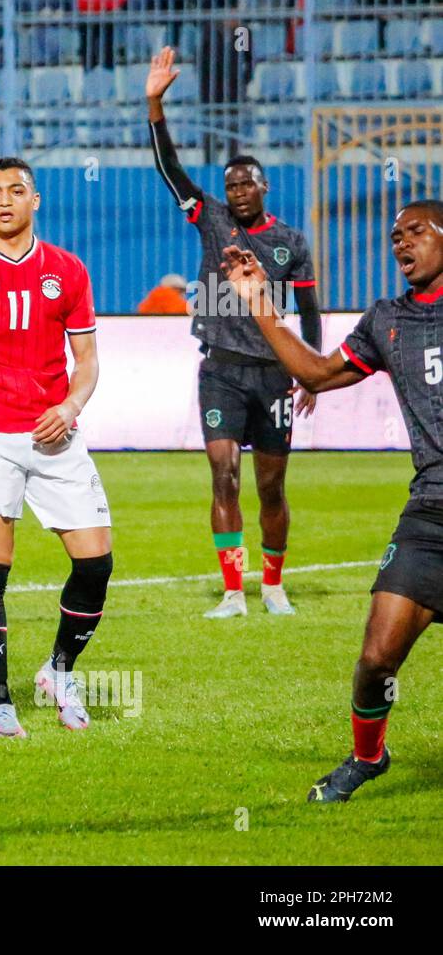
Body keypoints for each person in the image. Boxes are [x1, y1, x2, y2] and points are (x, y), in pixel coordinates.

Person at [218, 199, 443, 802]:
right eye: (395, 236)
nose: (402, 243)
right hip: (429, 514)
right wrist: (259, 301)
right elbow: (316, 374)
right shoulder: (386, 320)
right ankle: (369, 757)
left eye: (417, 232)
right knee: (375, 661)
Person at [0, 157, 114, 739]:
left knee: (95, 562)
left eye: (16, 191)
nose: (5, 200)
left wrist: (69, 407)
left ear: (36, 200)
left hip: (55, 434)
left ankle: (60, 672)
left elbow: (86, 364)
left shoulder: (67, 269)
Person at [147, 46, 323, 619]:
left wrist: (312, 372)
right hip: (219, 368)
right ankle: (232, 592)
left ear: (265, 187)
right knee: (224, 477)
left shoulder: (291, 243)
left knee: (271, 488)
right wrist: (155, 106)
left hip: (274, 374)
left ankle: (272, 584)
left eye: (246, 182)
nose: (237, 190)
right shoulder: (210, 216)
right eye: (230, 183)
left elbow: (312, 313)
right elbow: (170, 168)